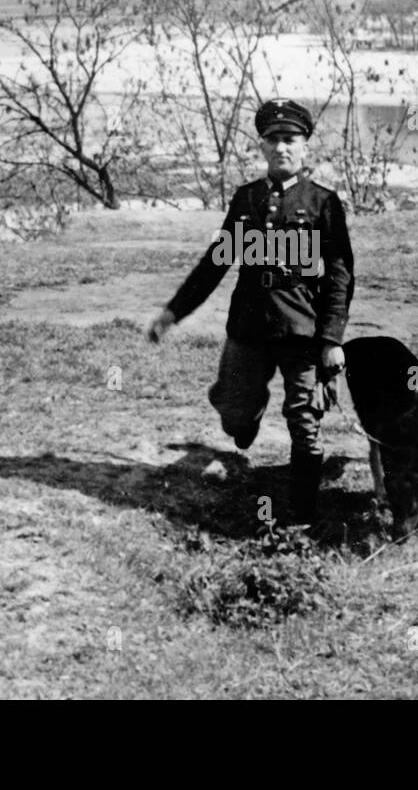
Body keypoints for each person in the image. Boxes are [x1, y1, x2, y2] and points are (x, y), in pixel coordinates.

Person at [147, 99, 354, 524]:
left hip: (302, 328)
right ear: (261, 147)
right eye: (273, 140)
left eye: (290, 140)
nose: (282, 148)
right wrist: (173, 313)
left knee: (304, 420)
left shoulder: (324, 204)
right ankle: (245, 417)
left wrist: (332, 340)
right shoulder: (247, 200)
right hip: (249, 326)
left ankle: (303, 516)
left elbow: (339, 277)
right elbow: (216, 262)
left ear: (305, 147)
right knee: (235, 414)